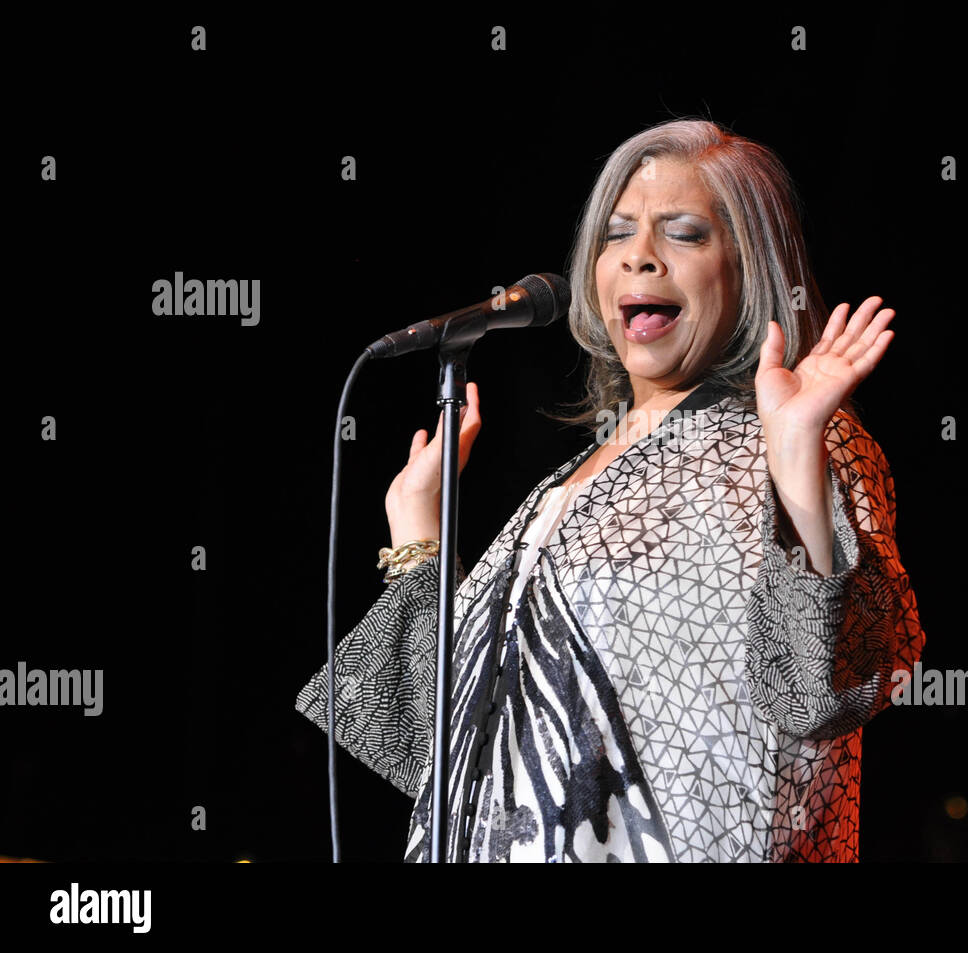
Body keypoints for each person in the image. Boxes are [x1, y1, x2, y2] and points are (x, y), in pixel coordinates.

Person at [296, 118, 927, 863]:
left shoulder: (798, 441)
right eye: (617, 233)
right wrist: (416, 532)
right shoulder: (564, 486)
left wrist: (796, 465)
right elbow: (432, 745)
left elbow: (826, 692)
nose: (640, 258)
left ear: (749, 267)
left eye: (685, 233)